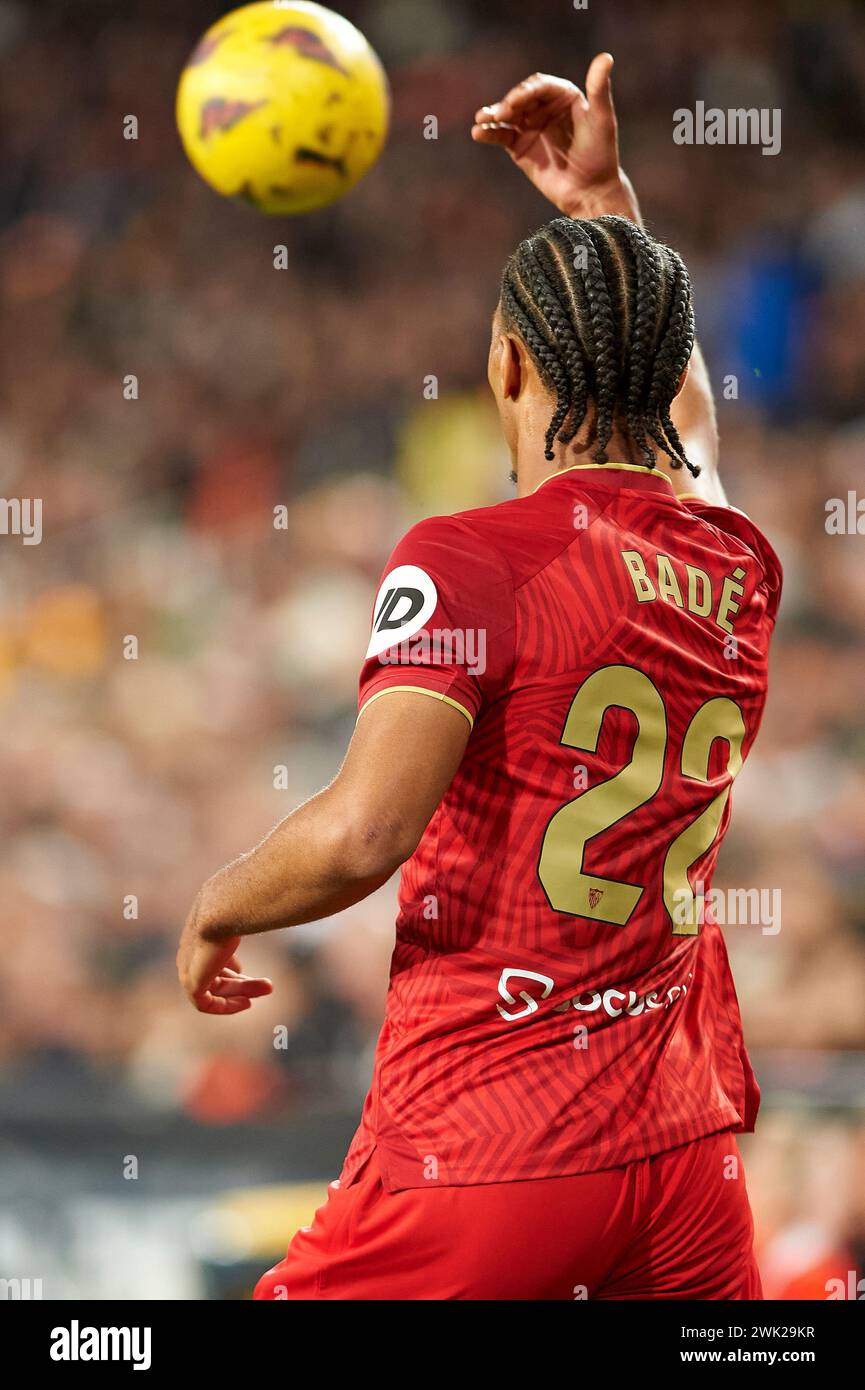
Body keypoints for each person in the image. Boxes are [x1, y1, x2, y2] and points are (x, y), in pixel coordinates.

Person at [177, 55, 781, 1300]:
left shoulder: (470, 560)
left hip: (488, 1148)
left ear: (509, 368)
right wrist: (608, 205)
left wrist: (217, 900)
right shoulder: (735, 563)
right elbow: (694, 431)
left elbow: (362, 834)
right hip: (685, 1160)